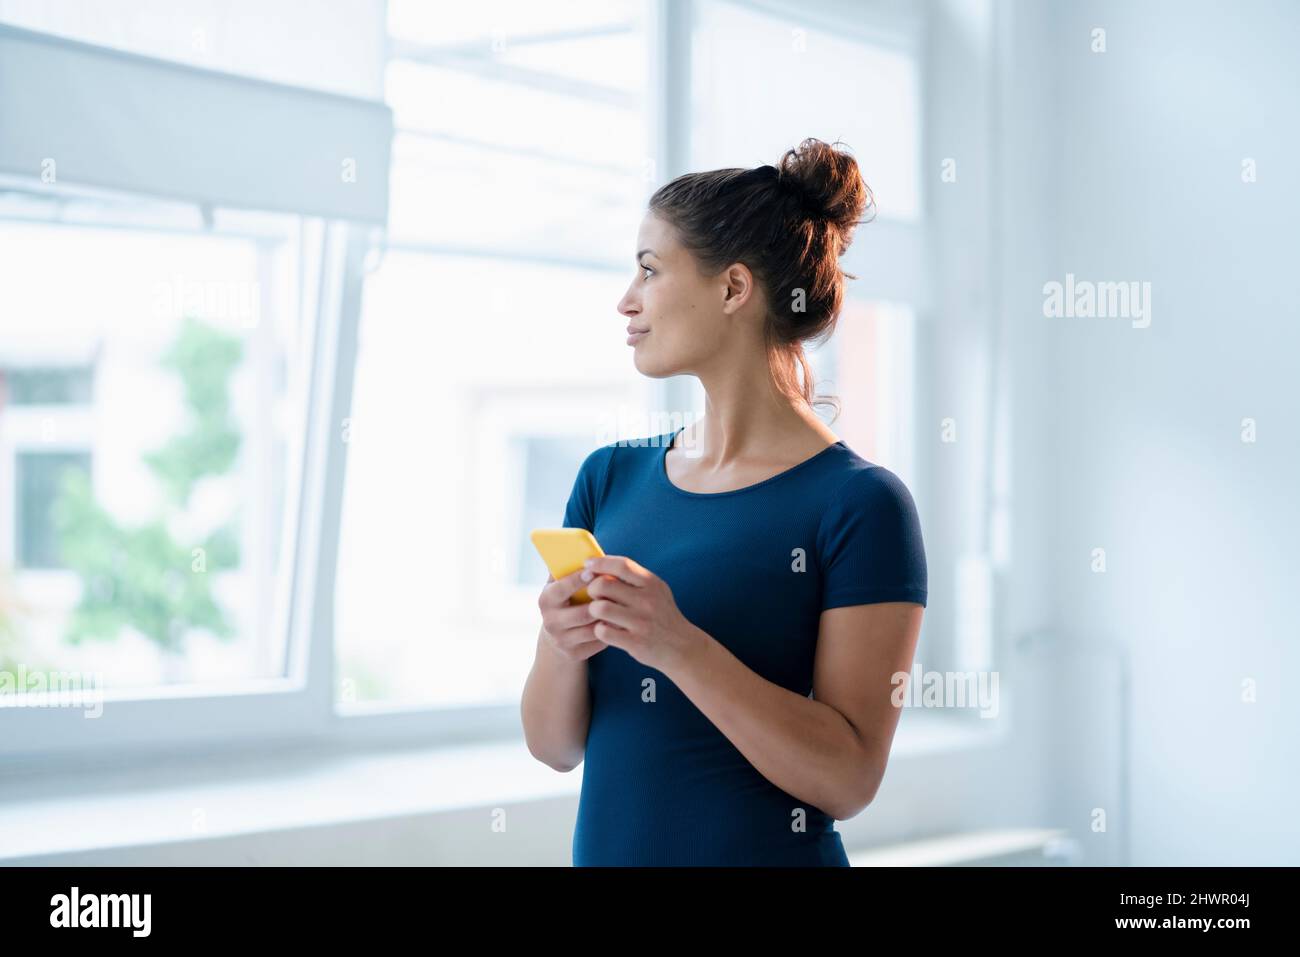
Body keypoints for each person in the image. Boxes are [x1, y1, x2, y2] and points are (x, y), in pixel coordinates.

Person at [521, 137, 927, 866]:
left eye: (649, 269)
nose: (627, 299)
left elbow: (848, 777)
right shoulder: (607, 477)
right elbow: (552, 746)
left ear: (733, 289)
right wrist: (560, 640)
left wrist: (675, 643)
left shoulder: (862, 505)